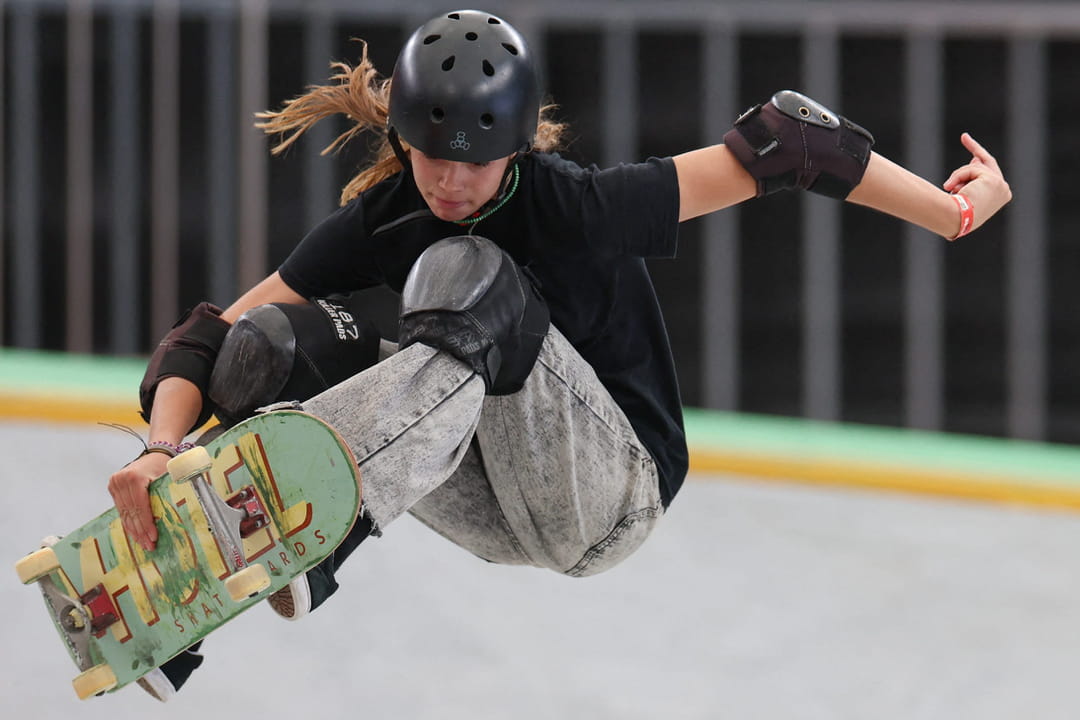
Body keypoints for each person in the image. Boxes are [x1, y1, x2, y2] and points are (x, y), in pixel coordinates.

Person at [107, 9, 1012, 701]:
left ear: (514, 149)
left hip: (611, 493)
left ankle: (324, 536)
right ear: (402, 140)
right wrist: (156, 448)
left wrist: (955, 212)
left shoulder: (573, 203)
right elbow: (212, 336)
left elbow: (787, 143)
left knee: (468, 274)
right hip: (487, 495)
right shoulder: (382, 217)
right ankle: (184, 613)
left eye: (478, 164)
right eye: (432, 160)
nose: (453, 183)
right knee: (271, 344)